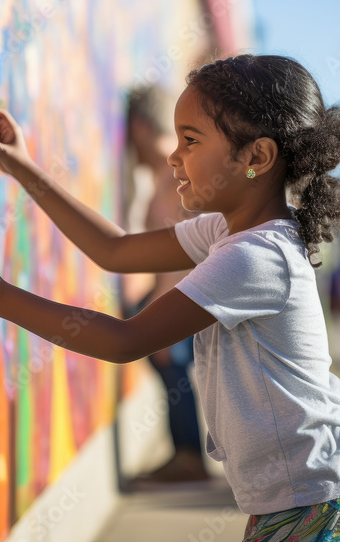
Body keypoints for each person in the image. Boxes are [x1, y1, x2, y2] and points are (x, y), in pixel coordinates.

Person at [0, 55, 340, 540]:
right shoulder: (226, 228)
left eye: (191, 140)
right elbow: (114, 250)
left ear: (255, 158)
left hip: (315, 492)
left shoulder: (257, 257)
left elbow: (125, 341)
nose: (173, 156)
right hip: (303, 485)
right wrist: (25, 169)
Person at [121, 84, 208, 483]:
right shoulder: (162, 175)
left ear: (138, 128)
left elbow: (184, 250)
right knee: (168, 361)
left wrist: (159, 310)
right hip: (182, 293)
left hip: (188, 294)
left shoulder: (174, 178)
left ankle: (189, 456)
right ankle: (187, 452)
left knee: (171, 361)